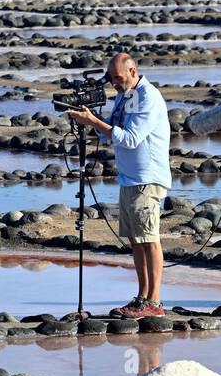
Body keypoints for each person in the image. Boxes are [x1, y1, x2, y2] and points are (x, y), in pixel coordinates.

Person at [67, 52, 172, 318]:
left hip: (147, 178)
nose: (114, 83)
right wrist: (89, 121)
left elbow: (130, 139)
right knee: (136, 240)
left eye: (118, 78)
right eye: (111, 79)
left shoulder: (148, 97)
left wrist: (94, 122)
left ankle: (155, 302)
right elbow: (112, 128)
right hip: (129, 178)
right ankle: (142, 297)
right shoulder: (126, 96)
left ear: (133, 71)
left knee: (149, 238)